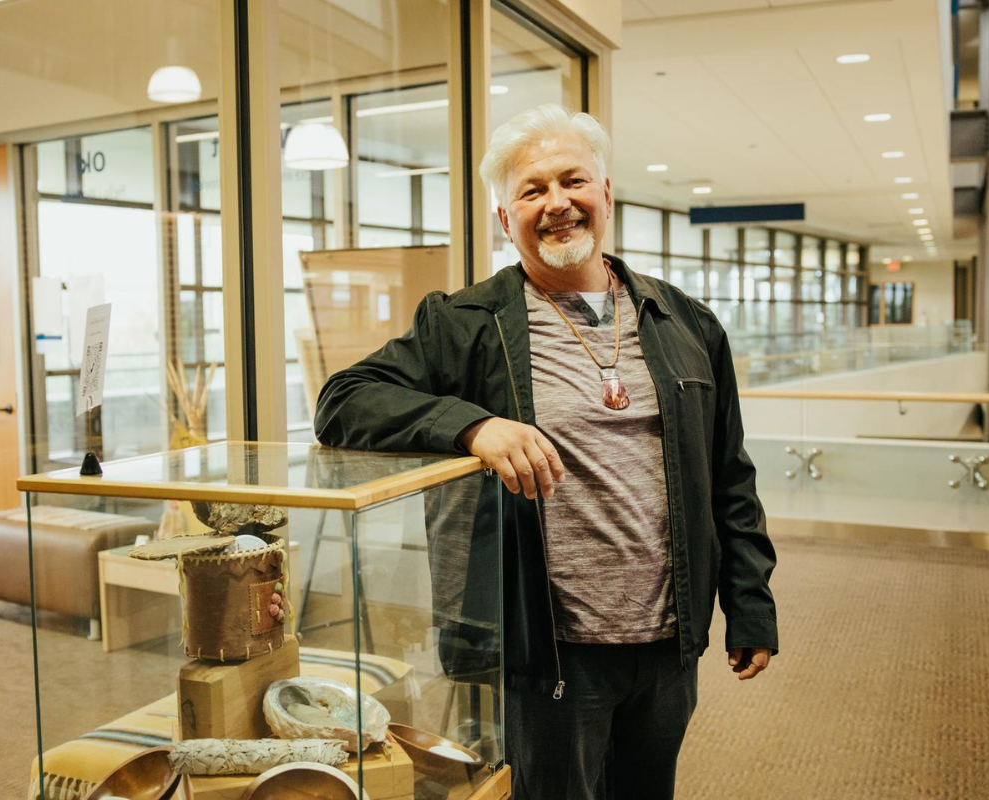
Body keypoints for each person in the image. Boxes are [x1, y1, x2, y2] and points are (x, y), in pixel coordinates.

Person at [314, 104, 777, 800]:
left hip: (669, 638)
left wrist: (749, 603)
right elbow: (343, 400)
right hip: (548, 651)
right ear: (506, 220)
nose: (557, 202)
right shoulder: (462, 323)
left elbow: (729, 477)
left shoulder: (687, 322)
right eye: (532, 191)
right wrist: (472, 426)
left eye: (573, 181)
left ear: (606, 194)